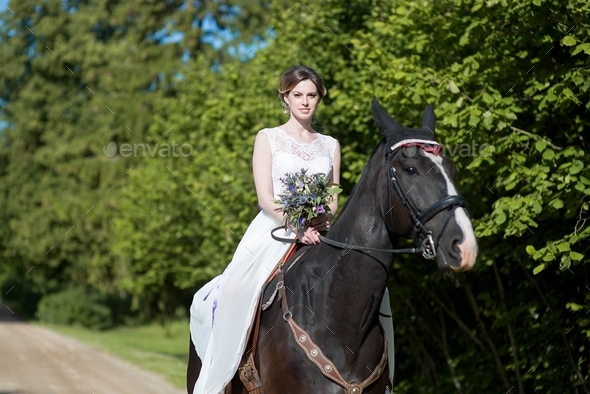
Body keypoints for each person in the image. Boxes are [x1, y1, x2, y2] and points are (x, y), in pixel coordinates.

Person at [188, 65, 341, 394]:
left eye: (311, 95)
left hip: (317, 235)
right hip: (273, 231)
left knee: (372, 290)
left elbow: (332, 199)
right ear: (285, 97)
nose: (305, 102)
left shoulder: (330, 145)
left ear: (319, 98)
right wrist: (298, 227)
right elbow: (265, 199)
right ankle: (230, 374)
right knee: (232, 292)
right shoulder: (268, 137)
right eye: (297, 95)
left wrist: (322, 218)